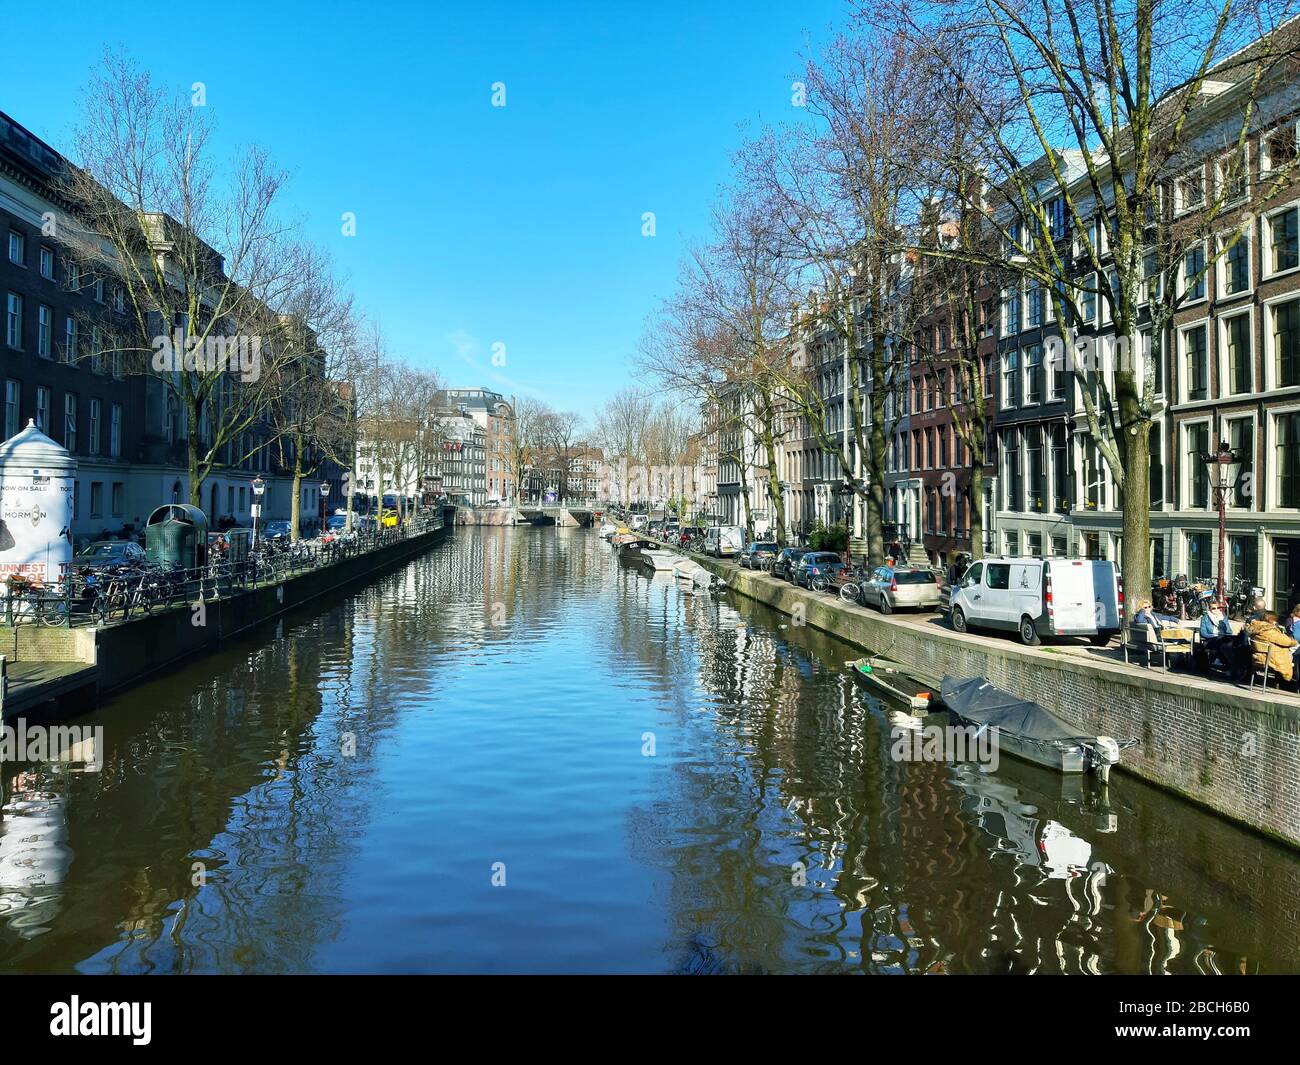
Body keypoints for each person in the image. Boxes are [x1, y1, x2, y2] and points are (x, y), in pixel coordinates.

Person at [1245, 610, 1297, 684]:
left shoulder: (1257, 628)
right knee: (1296, 655)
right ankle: (1290, 682)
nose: (1276, 622)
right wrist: (1295, 642)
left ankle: (1283, 681)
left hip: (1259, 655)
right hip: (1271, 658)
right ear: (1271, 620)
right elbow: (1286, 641)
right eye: (1275, 621)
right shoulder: (1269, 631)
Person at [1199, 599, 1235, 668]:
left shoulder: (1223, 617)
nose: (1216, 610)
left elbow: (1229, 631)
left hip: (1222, 639)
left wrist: (1223, 625)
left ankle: (1228, 663)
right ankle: (1224, 662)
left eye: (1218, 608)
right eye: (1213, 608)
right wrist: (1215, 635)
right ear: (1209, 609)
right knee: (1220, 640)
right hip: (1209, 640)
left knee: (1230, 643)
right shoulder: (1205, 618)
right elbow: (1203, 633)